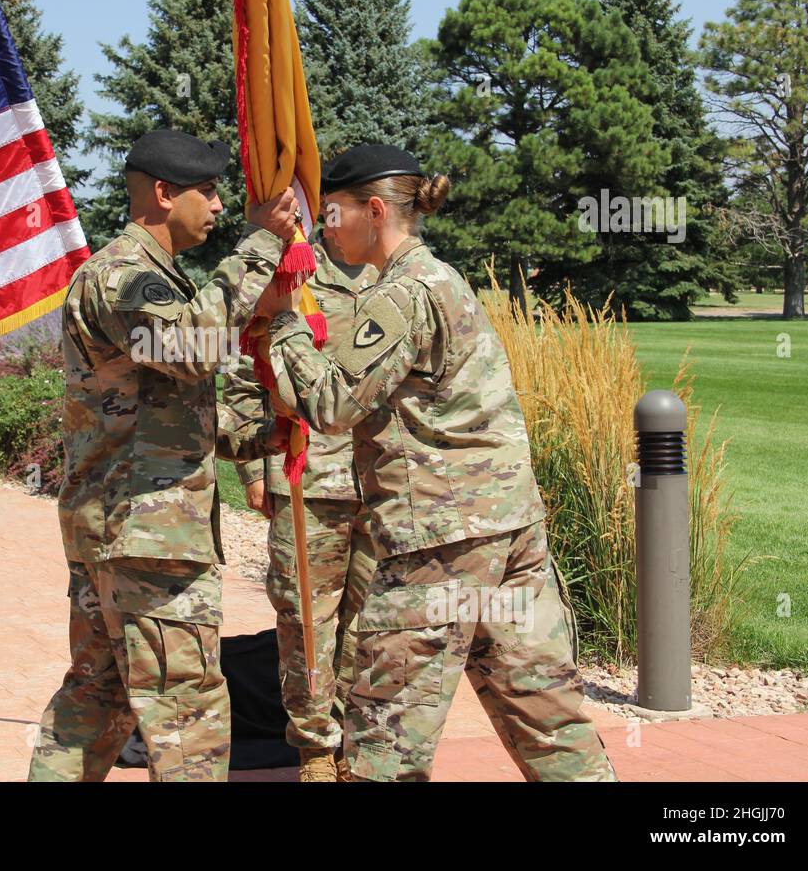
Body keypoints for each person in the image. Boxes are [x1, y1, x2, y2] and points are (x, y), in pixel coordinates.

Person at [255, 143, 617, 782]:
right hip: (509, 529)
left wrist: (282, 322)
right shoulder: (442, 279)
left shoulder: (404, 293)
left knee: (382, 739)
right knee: (546, 717)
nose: (327, 232)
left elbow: (333, 403)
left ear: (374, 210)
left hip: (440, 543)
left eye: (333, 216)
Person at [27, 129, 300, 782]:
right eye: (206, 189)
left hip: (130, 531)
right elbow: (192, 349)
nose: (219, 203)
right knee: (189, 723)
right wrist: (261, 242)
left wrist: (272, 432)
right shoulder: (124, 278)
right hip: (146, 537)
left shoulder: (161, 283)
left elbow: (183, 413)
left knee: (97, 703)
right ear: (162, 192)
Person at [221, 232, 376, 782]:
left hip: (383, 484)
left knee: (374, 623)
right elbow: (245, 379)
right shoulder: (292, 279)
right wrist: (256, 468)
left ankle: (358, 743)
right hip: (308, 479)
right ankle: (313, 749)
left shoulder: (397, 282)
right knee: (305, 622)